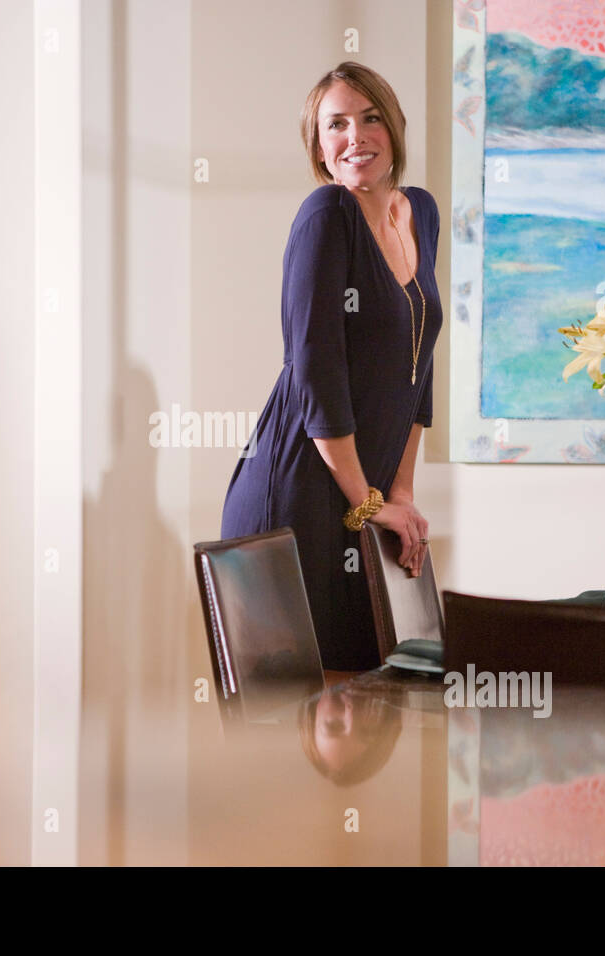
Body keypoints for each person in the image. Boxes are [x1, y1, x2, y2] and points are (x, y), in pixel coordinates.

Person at [220, 62, 443, 671]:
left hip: (363, 489)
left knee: (373, 700)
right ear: (319, 147)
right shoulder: (325, 216)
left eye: (371, 118)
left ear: (394, 129)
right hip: (299, 490)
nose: (356, 136)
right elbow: (315, 371)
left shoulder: (418, 212)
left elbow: (418, 367)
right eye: (336, 124)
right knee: (305, 716)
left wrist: (398, 491)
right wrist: (370, 503)